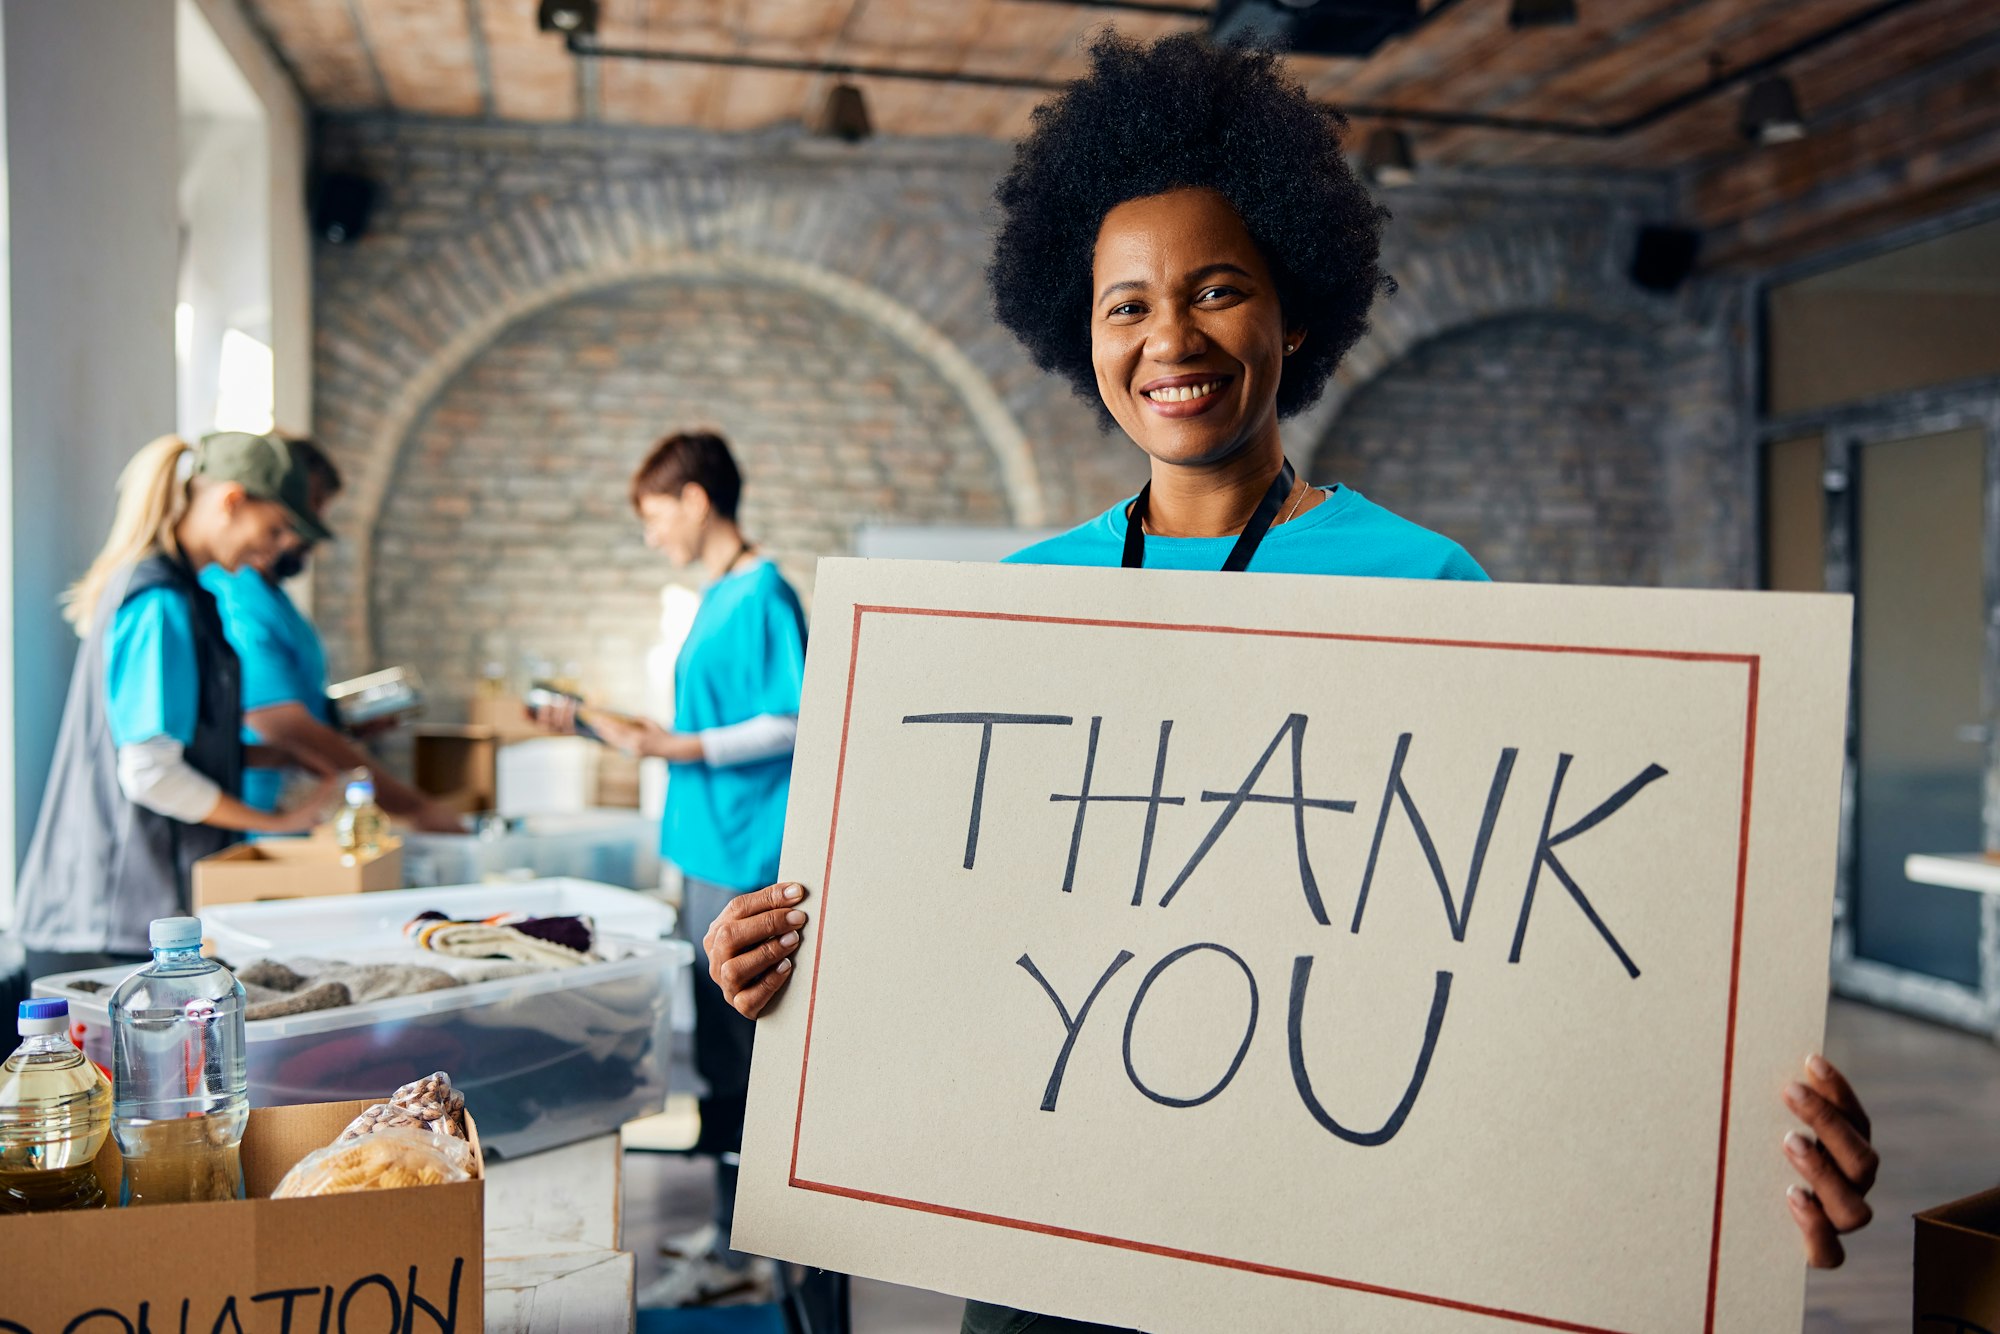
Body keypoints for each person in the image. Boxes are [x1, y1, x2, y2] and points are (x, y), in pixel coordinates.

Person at [695, 32, 1881, 1334]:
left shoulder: (1424, 584)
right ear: (1078, 333)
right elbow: (934, 926)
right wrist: (778, 963)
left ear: (1294, 309)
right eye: (1127, 304)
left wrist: (1732, 1163)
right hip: (1055, 1243)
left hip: (1325, 1244)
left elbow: (1544, 944)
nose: (1170, 338)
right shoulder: (1010, 609)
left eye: (1216, 289)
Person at [533, 429, 808, 1307]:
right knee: (724, 1063)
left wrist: (675, 743)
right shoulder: (717, 596)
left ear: (696, 499)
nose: (654, 535)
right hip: (704, 851)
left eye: (656, 516)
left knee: (744, 1056)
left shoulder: (764, 593)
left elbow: (795, 718)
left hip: (746, 855)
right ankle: (733, 1236)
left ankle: (751, 1251)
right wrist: (610, 726)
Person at [14, 432, 340, 981]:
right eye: (275, 528)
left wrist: (277, 762)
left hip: (134, 919)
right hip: (105, 926)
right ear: (231, 501)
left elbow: (186, 742)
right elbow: (151, 773)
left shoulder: (193, 597)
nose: (278, 546)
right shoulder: (160, 600)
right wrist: (275, 823)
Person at [200, 437, 462, 832]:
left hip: (292, 814)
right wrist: (414, 807)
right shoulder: (236, 599)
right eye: (300, 519)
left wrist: (337, 718)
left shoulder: (273, 598)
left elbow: (290, 708)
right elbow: (285, 727)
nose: (305, 537)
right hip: (258, 821)